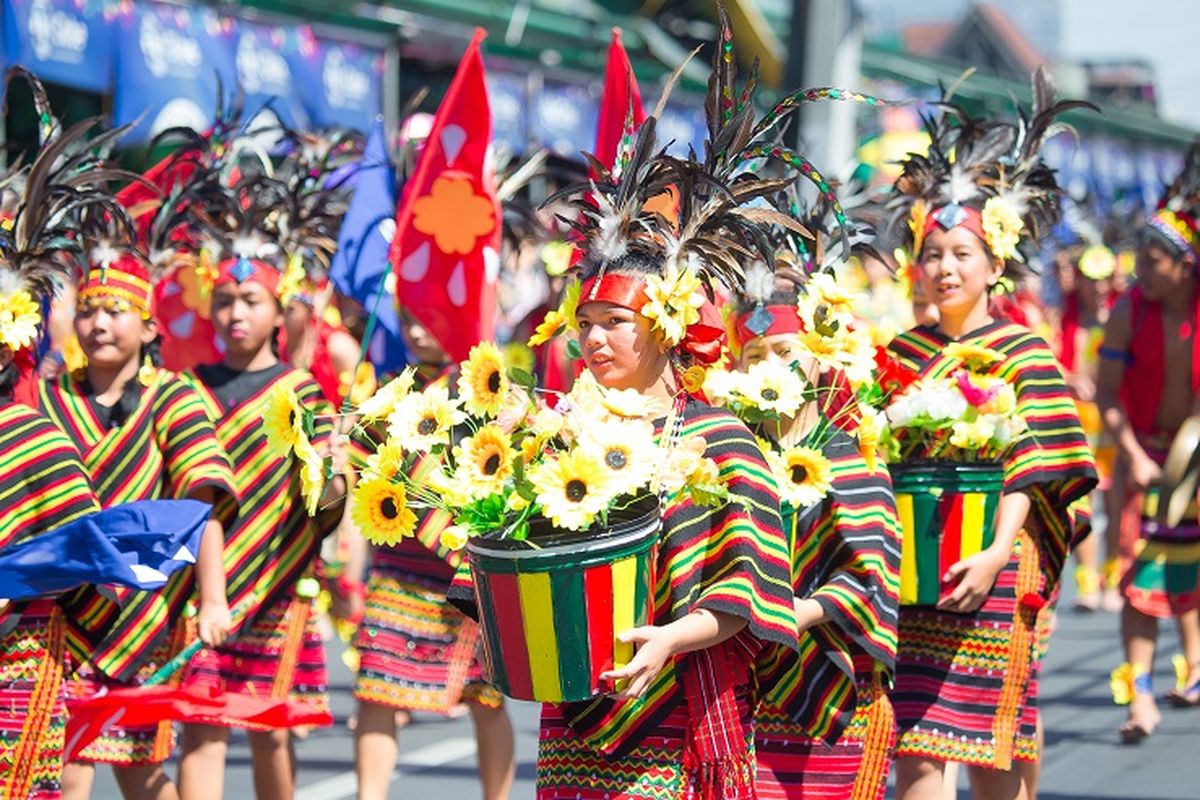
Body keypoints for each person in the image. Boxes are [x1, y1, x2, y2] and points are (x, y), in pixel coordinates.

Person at [885, 70, 1097, 800]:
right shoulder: (900, 354)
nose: (945, 267)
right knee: (915, 747)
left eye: (961, 254)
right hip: (913, 577)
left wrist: (997, 552)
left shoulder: (1025, 350)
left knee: (990, 749)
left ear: (994, 264)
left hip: (995, 575)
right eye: (934, 253)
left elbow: (1040, 467)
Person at [174, 174, 347, 800]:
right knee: (200, 727)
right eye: (225, 299)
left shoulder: (302, 391)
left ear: (280, 309)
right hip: (201, 583)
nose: (236, 312)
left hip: (276, 583)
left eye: (251, 298)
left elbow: (328, 506)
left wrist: (337, 472)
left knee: (269, 729)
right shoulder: (187, 385)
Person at [43, 246, 238, 800]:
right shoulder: (49, 397)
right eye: (88, 310)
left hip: (145, 611)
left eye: (115, 310)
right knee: (64, 760)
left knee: (134, 765)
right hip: (64, 608)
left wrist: (214, 599)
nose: (99, 323)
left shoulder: (173, 396)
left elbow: (203, 506)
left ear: (149, 326)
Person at [725, 261, 902, 800]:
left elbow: (868, 572)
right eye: (754, 357)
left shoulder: (852, 453)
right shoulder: (724, 455)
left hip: (836, 677)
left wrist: (793, 613)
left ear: (820, 357)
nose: (769, 367)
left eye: (783, 352)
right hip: (745, 686)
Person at [351, 304, 515, 800]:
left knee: (484, 698)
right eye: (410, 319)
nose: (419, 329)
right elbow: (362, 481)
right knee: (375, 689)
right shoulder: (390, 392)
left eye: (432, 317)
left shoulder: (493, 393)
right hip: (398, 567)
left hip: (466, 572)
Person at [1097, 141, 1200, 742]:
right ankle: (1138, 696)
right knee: (1138, 578)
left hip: (1194, 460)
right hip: (1144, 456)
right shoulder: (1128, 311)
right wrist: (1133, 455)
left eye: (1153, 260)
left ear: (1185, 264)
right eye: (1139, 257)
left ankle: (1190, 670)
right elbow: (1108, 396)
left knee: (1192, 574)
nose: (1141, 270)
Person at [1054, 242, 1120, 612]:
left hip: (1112, 423)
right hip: (1077, 422)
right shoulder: (1063, 315)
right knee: (1083, 502)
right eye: (1091, 279)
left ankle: (1113, 577)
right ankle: (1087, 580)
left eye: (1104, 279)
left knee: (1118, 499)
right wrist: (1071, 378)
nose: (1098, 287)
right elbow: (1049, 355)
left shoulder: (1123, 313)